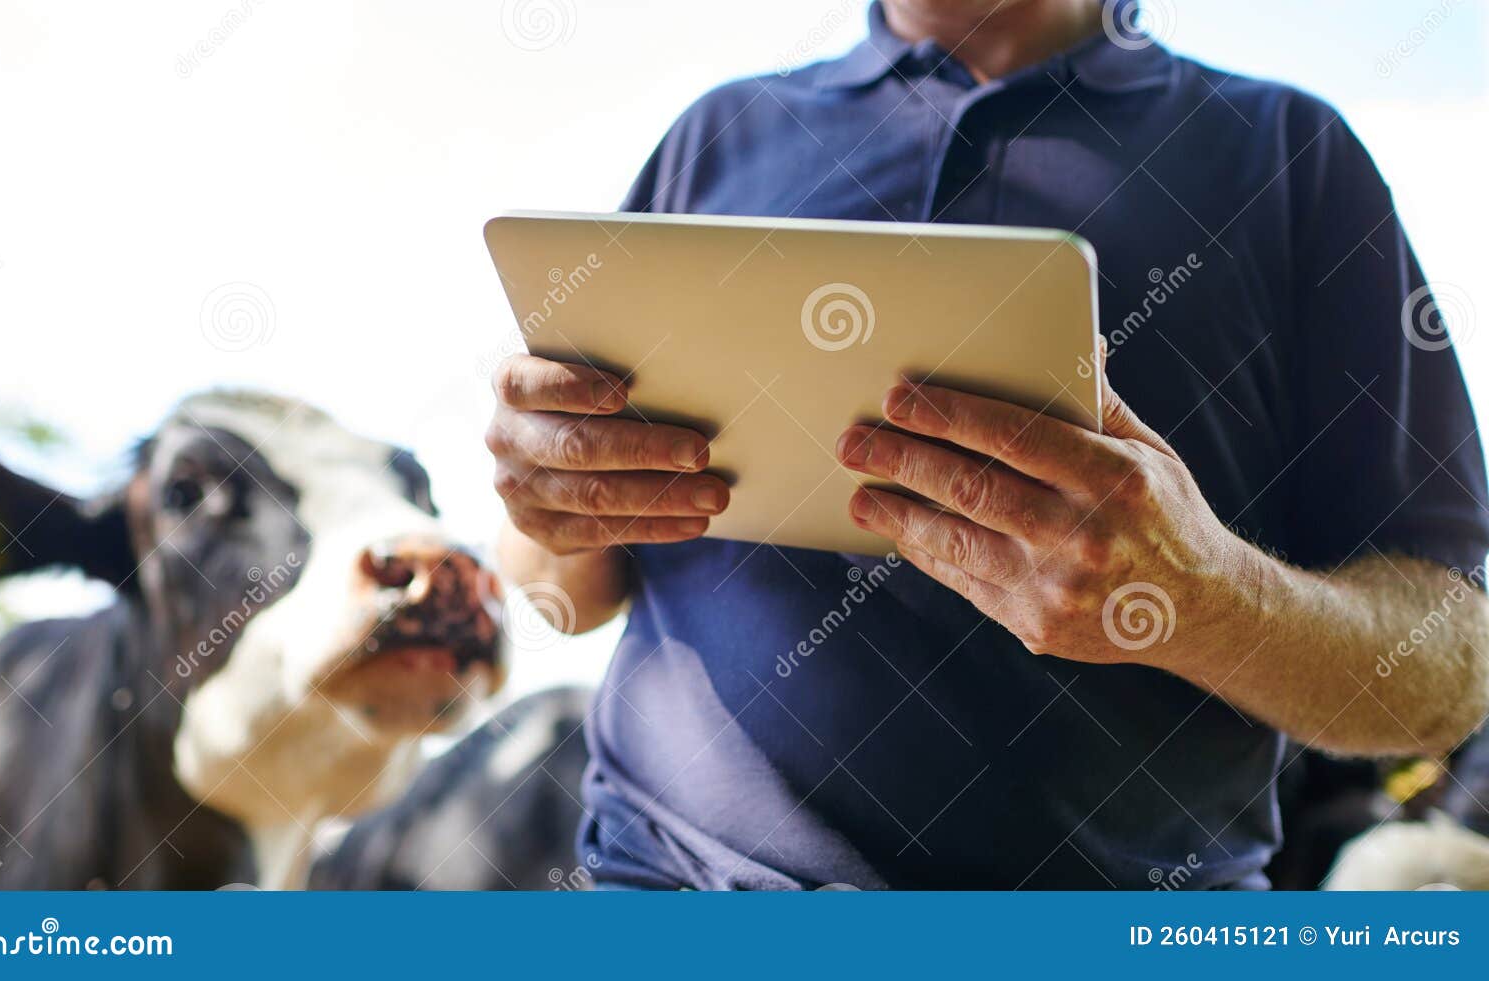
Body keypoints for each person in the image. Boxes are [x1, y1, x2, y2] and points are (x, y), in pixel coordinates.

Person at [484, 0, 1489, 889]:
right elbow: (563, 594)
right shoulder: (719, 134)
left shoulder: (1289, 153)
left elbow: (1454, 672)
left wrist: (1201, 603)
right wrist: (545, 506)